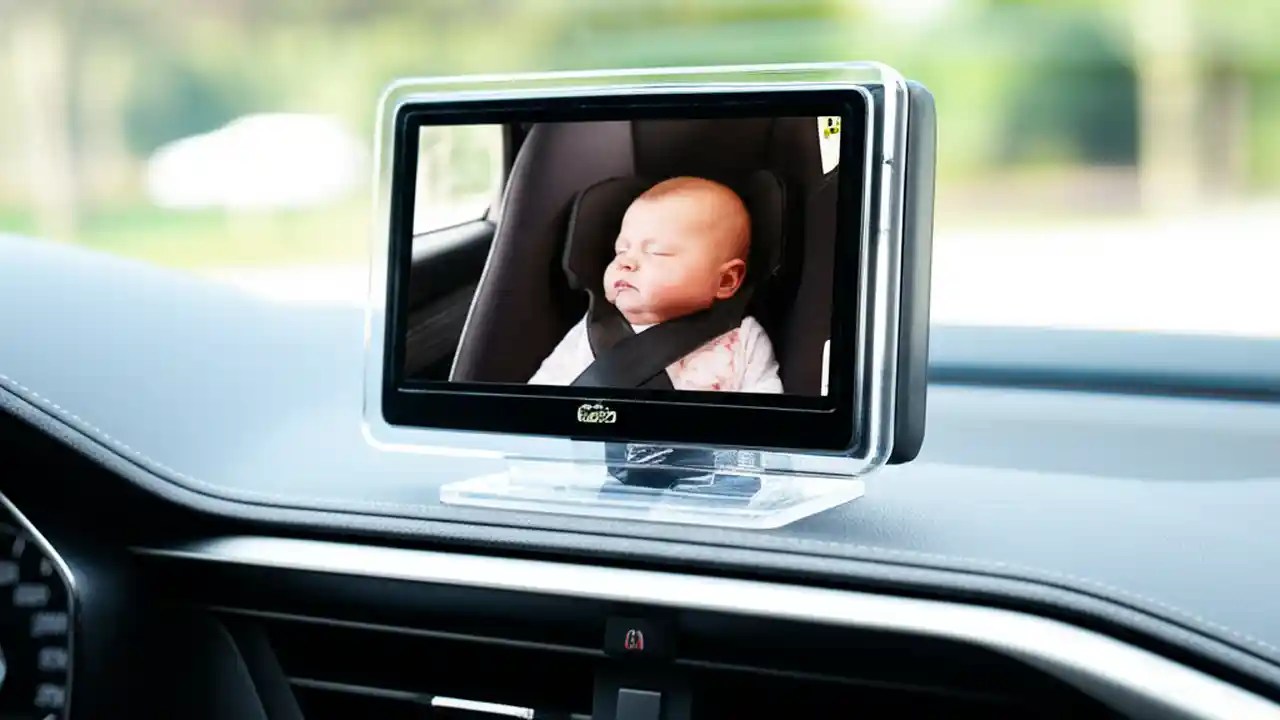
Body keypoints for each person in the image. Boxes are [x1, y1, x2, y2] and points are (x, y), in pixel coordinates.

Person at [529, 176, 783, 393]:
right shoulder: (591, 331)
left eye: (656, 252)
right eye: (621, 251)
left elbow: (766, 414)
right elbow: (541, 402)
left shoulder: (743, 338)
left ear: (726, 280)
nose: (626, 262)